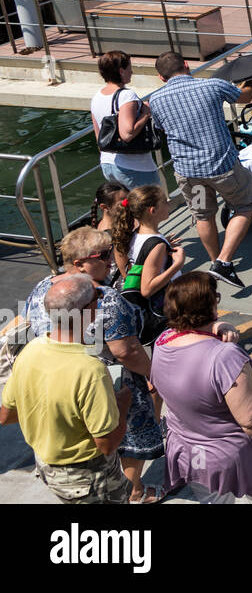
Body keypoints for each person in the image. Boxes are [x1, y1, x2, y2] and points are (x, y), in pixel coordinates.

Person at [16, 228, 165, 502]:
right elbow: (126, 350)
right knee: (128, 436)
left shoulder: (42, 288)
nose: (111, 260)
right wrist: (152, 374)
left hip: (56, 379)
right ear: (78, 263)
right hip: (104, 381)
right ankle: (133, 490)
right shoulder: (103, 297)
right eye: (103, 255)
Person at [151, 272, 252, 502]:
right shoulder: (224, 356)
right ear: (211, 304)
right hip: (235, 457)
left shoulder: (163, 342)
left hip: (192, 455)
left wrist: (217, 325)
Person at [1, 274, 133, 503]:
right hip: (89, 479)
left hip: (49, 470)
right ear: (88, 309)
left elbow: (6, 415)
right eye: (97, 299)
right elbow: (107, 444)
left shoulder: (30, 352)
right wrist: (122, 405)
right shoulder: (91, 370)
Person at [148, 52, 252, 287]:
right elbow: (246, 96)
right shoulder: (212, 86)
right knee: (244, 206)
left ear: (161, 77)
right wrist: (251, 78)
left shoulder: (155, 100)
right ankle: (224, 262)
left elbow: (161, 127)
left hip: (188, 173)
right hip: (222, 167)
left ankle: (214, 261)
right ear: (186, 65)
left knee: (203, 215)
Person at [91, 50, 163, 190]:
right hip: (135, 167)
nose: (132, 71)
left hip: (108, 163)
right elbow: (127, 134)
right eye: (130, 67)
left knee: (128, 209)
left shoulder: (97, 97)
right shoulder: (126, 96)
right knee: (152, 208)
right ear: (121, 71)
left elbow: (99, 136)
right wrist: (145, 113)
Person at [113, 183, 186, 311]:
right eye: (164, 202)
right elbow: (147, 289)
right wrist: (178, 264)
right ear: (153, 210)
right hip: (168, 305)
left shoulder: (132, 235)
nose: (168, 204)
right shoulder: (156, 245)